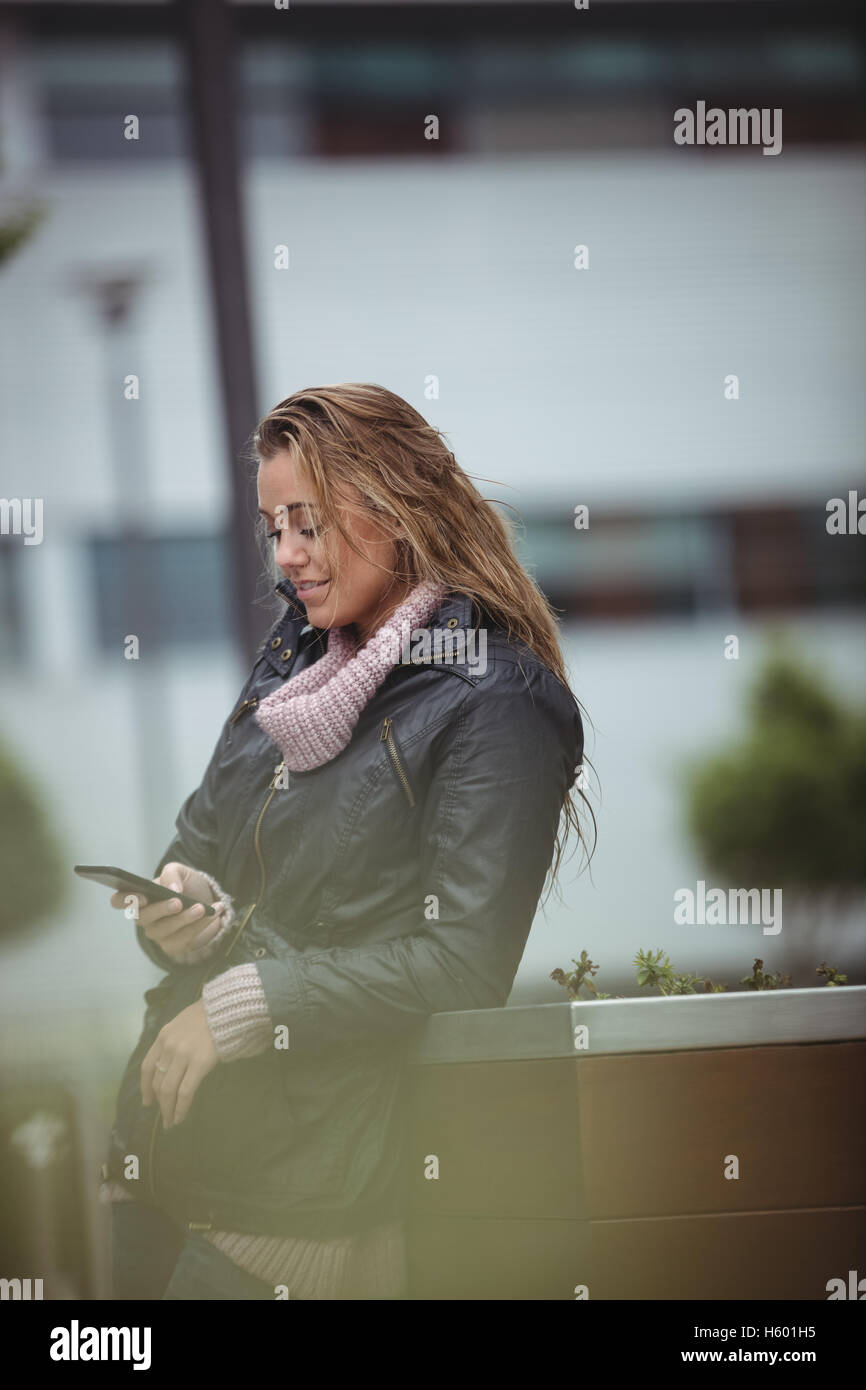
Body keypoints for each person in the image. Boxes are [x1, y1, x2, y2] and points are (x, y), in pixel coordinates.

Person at [100, 382, 593, 1300]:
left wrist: (250, 999)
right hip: (161, 1159)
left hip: (294, 1202)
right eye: (272, 526)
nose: (286, 557)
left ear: (398, 509)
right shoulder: (298, 655)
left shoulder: (495, 699)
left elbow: (464, 960)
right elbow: (200, 844)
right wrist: (183, 908)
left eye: (309, 524)